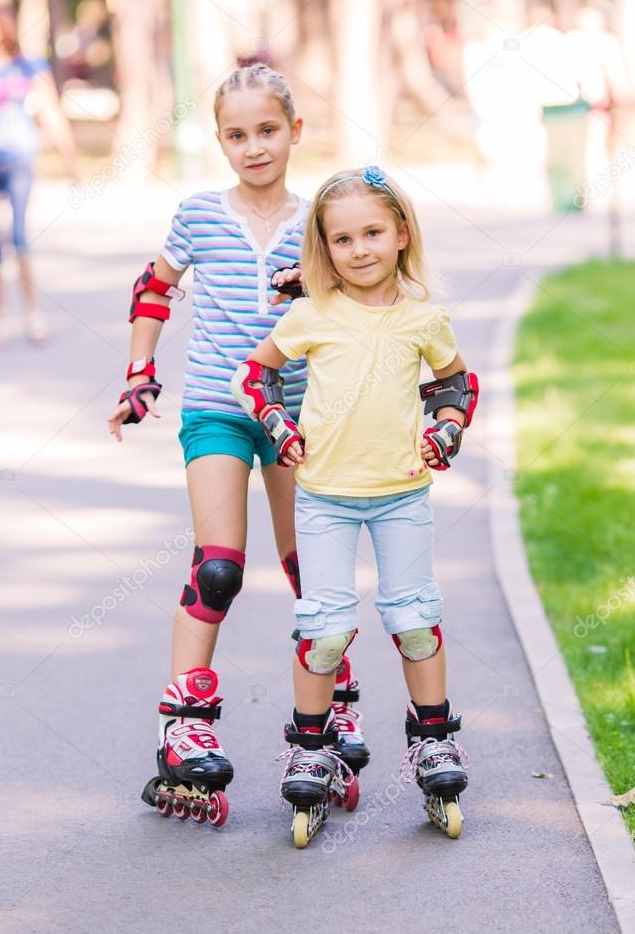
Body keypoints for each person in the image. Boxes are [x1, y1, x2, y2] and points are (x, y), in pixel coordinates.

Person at [107, 64, 369, 827]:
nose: (253, 146)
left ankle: (335, 711)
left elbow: (362, 295)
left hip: (301, 415)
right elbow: (152, 287)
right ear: (219, 139)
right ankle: (185, 721)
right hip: (220, 410)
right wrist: (138, 370)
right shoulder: (197, 214)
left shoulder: (323, 218)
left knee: (308, 572)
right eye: (235, 133)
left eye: (266, 130)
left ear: (294, 130)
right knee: (218, 565)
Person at [232, 165, 479, 846]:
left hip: (401, 493)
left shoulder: (423, 315)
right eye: (342, 239)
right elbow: (256, 371)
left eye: (373, 232)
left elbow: (456, 381)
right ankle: (311, 745)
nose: (360, 248)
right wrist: (279, 425)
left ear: (401, 233)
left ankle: (434, 741)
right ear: (325, 247)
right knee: (325, 627)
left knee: (416, 619)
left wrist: (446, 428)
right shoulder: (311, 311)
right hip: (325, 497)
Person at [0, 7, 79, 346]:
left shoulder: (29, 68)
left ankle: (32, 314)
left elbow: (51, 112)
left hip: (18, 160)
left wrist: (70, 159)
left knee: (18, 235)